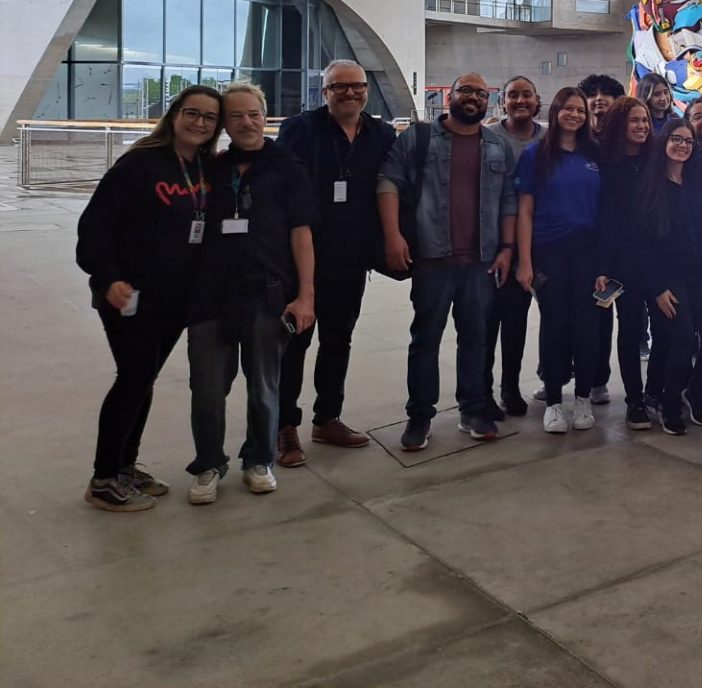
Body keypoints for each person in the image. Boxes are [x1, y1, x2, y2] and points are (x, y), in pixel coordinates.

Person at [76, 85, 223, 511]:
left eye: (209, 118)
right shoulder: (139, 164)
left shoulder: (204, 167)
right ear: (174, 115)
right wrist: (108, 278)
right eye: (191, 113)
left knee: (143, 379)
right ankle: (103, 479)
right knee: (133, 377)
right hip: (129, 295)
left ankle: (124, 465)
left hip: (174, 300)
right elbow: (94, 228)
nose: (199, 123)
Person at [187, 82, 317, 503]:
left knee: (264, 386)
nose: (246, 123)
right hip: (211, 296)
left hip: (267, 294)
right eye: (236, 116)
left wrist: (306, 296)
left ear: (265, 117)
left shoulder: (288, 168)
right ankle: (208, 464)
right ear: (224, 122)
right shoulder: (212, 170)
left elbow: (301, 234)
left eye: (254, 115)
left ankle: (259, 459)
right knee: (207, 387)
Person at [379, 74, 517, 451]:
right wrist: (393, 236)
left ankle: (472, 409)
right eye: (465, 90)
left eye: (479, 92)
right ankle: (420, 416)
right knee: (425, 340)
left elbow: (508, 199)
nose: (472, 97)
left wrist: (506, 248)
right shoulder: (418, 138)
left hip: (481, 261)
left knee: (475, 339)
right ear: (449, 98)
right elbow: (388, 182)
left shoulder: (496, 146)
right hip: (432, 258)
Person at [273, 60, 395, 467]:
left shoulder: (380, 134)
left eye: (356, 86)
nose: (350, 93)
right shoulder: (300, 129)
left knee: (338, 341)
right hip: (301, 260)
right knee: (294, 344)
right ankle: (284, 426)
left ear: (366, 90)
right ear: (324, 92)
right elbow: (281, 188)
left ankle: (327, 418)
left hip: (350, 259)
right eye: (339, 87)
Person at [515, 87, 604, 434]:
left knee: (587, 327)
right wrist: (525, 261)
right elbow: (524, 211)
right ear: (555, 112)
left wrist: (605, 262)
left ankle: (582, 397)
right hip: (548, 252)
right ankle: (554, 401)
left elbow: (606, 210)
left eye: (580, 110)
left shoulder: (595, 155)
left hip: (589, 252)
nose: (575, 115)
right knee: (555, 325)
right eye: (568, 108)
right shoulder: (537, 155)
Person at [635, 117, 702, 434]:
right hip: (669, 276)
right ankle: (668, 402)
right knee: (681, 338)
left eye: (688, 141)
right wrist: (657, 289)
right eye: (676, 139)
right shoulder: (650, 185)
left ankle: (696, 392)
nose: (683, 146)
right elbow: (642, 243)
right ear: (664, 142)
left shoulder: (701, 180)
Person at [484, 75, 544, 417]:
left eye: (526, 94)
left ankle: (510, 386)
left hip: (532, 245)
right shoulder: (488, 137)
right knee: (487, 321)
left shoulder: (548, 138)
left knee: (516, 320)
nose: (520, 100)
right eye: (513, 95)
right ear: (503, 101)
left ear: (537, 100)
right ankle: (482, 390)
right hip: (492, 244)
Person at [594, 96, 655, 428]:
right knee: (630, 332)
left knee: (667, 329)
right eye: (635, 120)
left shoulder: (655, 160)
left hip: (657, 260)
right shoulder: (605, 164)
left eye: (645, 120)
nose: (642, 126)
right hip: (622, 263)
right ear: (620, 124)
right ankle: (635, 400)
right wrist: (604, 266)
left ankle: (656, 392)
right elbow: (603, 219)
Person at [579, 73, 625, 139]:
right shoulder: (577, 133)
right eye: (593, 94)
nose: (599, 98)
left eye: (606, 93)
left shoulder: (624, 133)